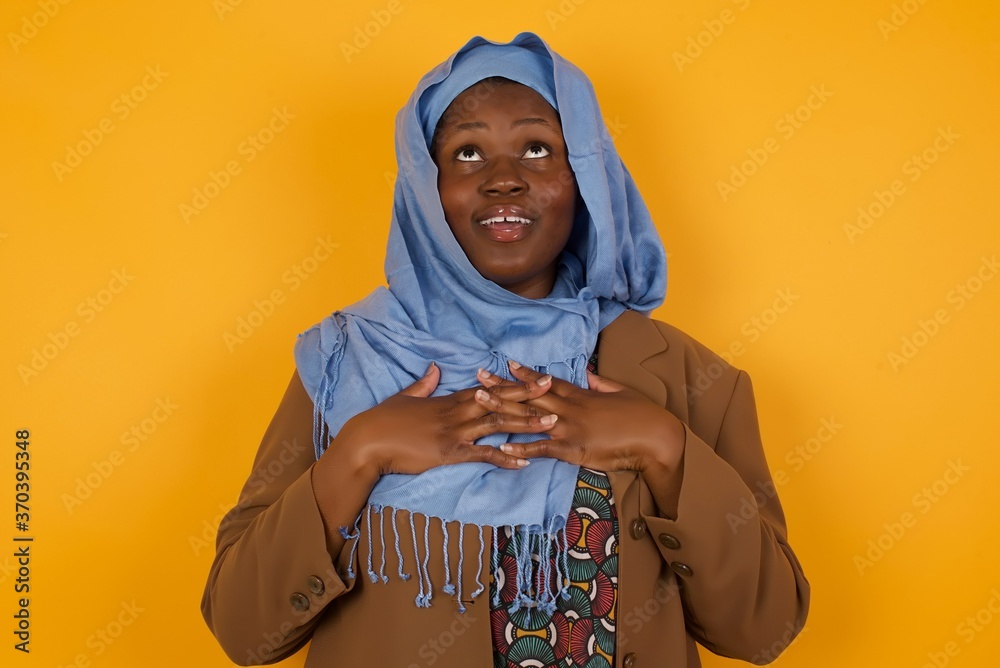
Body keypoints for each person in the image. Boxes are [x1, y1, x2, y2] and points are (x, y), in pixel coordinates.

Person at [202, 32, 810, 667]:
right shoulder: (342, 363)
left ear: (585, 180)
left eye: (538, 148)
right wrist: (360, 452)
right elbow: (245, 630)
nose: (503, 180)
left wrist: (667, 450)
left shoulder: (686, 377)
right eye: (467, 153)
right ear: (424, 188)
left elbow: (762, 629)